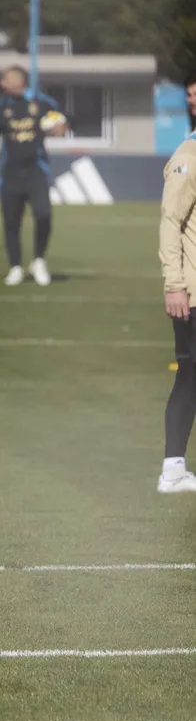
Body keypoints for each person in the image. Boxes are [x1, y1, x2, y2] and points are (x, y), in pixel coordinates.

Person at [0, 66, 67, 287]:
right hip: (11, 173)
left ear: (18, 82)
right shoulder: (1, 106)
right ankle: (15, 266)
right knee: (11, 222)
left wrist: (64, 125)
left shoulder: (41, 102)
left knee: (44, 215)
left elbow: (64, 117)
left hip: (36, 170)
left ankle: (38, 260)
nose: (2, 84)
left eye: (5, 80)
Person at [158, 124, 196, 492]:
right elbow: (170, 223)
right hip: (193, 293)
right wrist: (175, 285)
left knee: (190, 377)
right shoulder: (188, 157)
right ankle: (172, 470)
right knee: (189, 374)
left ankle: (173, 471)